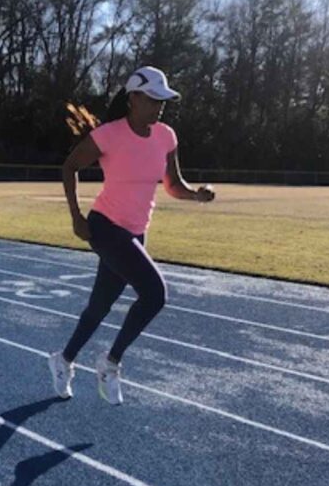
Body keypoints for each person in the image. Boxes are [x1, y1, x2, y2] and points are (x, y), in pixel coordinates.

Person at [49, 66, 215, 405]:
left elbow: (173, 185)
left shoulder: (166, 136)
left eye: (163, 101)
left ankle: (62, 359)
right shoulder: (109, 135)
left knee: (99, 306)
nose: (159, 107)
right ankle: (110, 363)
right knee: (155, 294)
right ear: (133, 98)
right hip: (106, 226)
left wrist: (197, 194)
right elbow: (69, 167)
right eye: (153, 99)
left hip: (137, 232)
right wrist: (76, 217)